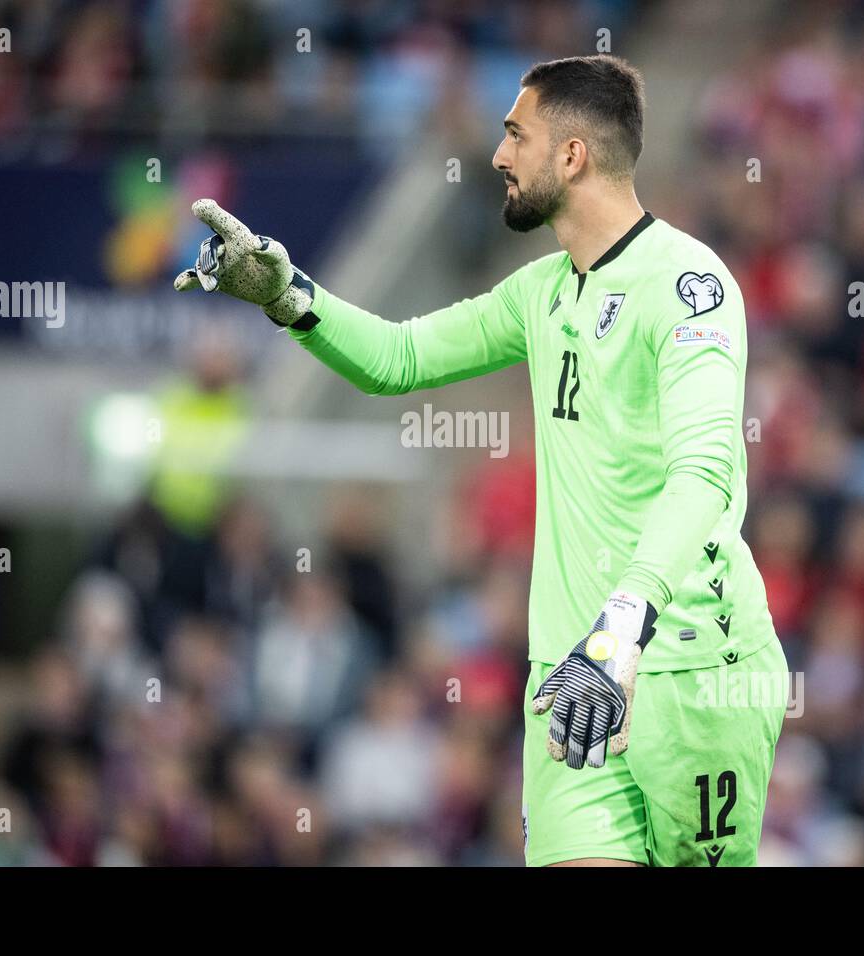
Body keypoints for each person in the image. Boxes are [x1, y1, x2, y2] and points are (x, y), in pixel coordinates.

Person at [173, 54, 788, 867]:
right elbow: (398, 358)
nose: (498, 156)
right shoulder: (540, 293)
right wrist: (288, 299)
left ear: (572, 155)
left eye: (516, 135)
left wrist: (622, 628)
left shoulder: (687, 285)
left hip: (693, 668)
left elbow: (704, 474)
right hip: (573, 679)